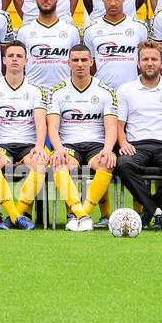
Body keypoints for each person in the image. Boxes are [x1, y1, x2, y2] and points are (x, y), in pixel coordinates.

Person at [114, 40, 162, 231]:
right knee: (123, 164)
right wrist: (123, 142)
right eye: (145, 59)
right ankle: (159, 214)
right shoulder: (126, 89)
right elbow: (118, 124)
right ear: (138, 63)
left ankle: (149, 213)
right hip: (136, 145)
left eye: (154, 59)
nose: (150, 63)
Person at [46, 45, 119, 232]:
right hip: (69, 145)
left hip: (97, 145)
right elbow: (52, 126)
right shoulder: (57, 91)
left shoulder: (105, 91)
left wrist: (108, 149)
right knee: (60, 164)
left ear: (92, 62)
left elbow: (111, 126)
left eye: (84, 60)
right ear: (68, 62)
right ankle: (80, 215)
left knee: (107, 163)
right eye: (76, 60)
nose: (80, 64)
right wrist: (59, 149)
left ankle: (81, 214)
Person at [0, 41, 48, 230]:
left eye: (19, 56)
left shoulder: (35, 90)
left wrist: (40, 146)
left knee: (41, 163)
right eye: (11, 56)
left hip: (28, 144)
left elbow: (41, 122)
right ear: (4, 60)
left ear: (26, 60)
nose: (15, 59)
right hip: (2, 144)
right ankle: (17, 216)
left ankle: (13, 216)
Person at [82, 0, 149, 91]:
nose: (112, 3)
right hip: (102, 92)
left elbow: (144, 61)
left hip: (132, 91)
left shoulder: (140, 27)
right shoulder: (91, 30)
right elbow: (91, 66)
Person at [17, 0, 81, 90]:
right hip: (34, 95)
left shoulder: (72, 31)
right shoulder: (24, 32)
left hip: (64, 95)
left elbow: (78, 67)